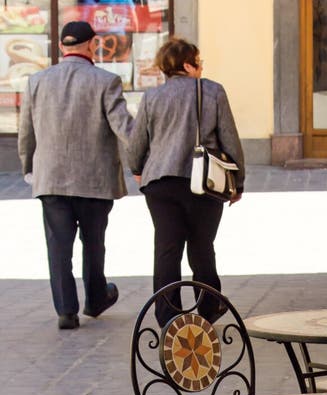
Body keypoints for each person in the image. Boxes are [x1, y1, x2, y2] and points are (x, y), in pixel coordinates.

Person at [18, 20, 133, 330]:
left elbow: (26, 131)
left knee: (58, 246)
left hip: (51, 178)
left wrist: (29, 167)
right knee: (94, 243)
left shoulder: (37, 80)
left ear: (61, 47)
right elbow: (125, 128)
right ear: (92, 45)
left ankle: (66, 311)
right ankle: (95, 300)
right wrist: (145, 156)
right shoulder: (106, 81)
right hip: (94, 179)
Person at [127, 37, 244, 327]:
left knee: (166, 249)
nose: (201, 67)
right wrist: (237, 181)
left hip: (160, 183)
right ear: (188, 64)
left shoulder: (152, 97)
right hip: (203, 182)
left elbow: (136, 142)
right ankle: (209, 308)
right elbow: (230, 139)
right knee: (202, 245)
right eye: (199, 62)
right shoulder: (213, 92)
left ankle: (167, 317)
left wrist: (138, 169)